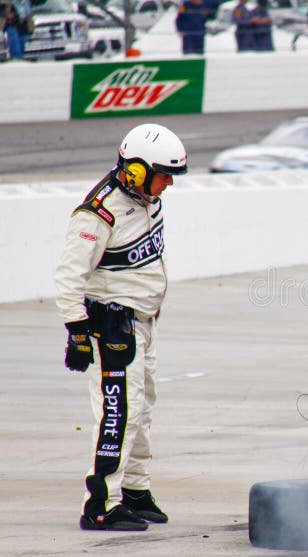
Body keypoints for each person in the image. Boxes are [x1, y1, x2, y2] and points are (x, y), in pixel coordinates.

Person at [55, 123, 188, 531]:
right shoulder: (98, 212)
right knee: (118, 414)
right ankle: (99, 504)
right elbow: (68, 276)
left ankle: (134, 489)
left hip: (142, 325)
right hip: (112, 328)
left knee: (142, 408)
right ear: (136, 170)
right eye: (164, 175)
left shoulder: (150, 200)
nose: (168, 184)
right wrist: (78, 333)